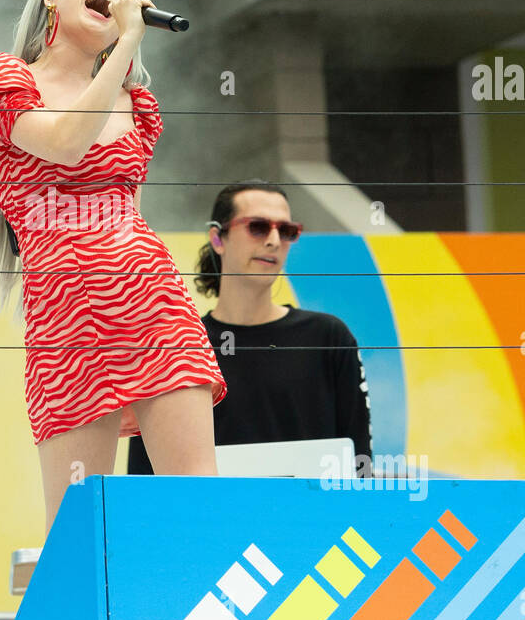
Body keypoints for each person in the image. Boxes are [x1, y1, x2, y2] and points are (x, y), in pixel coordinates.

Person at [0, 0, 225, 534]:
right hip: (66, 313)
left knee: (197, 500)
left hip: (152, 301)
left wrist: (120, 60)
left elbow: (129, 211)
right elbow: (62, 143)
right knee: (79, 525)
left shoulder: (139, 107)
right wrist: (124, 46)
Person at [127, 181, 371, 476]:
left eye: (286, 231)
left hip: (314, 519)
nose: (273, 240)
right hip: (209, 521)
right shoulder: (178, 346)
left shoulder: (328, 338)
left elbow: (360, 463)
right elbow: (143, 480)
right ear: (217, 239)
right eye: (258, 226)